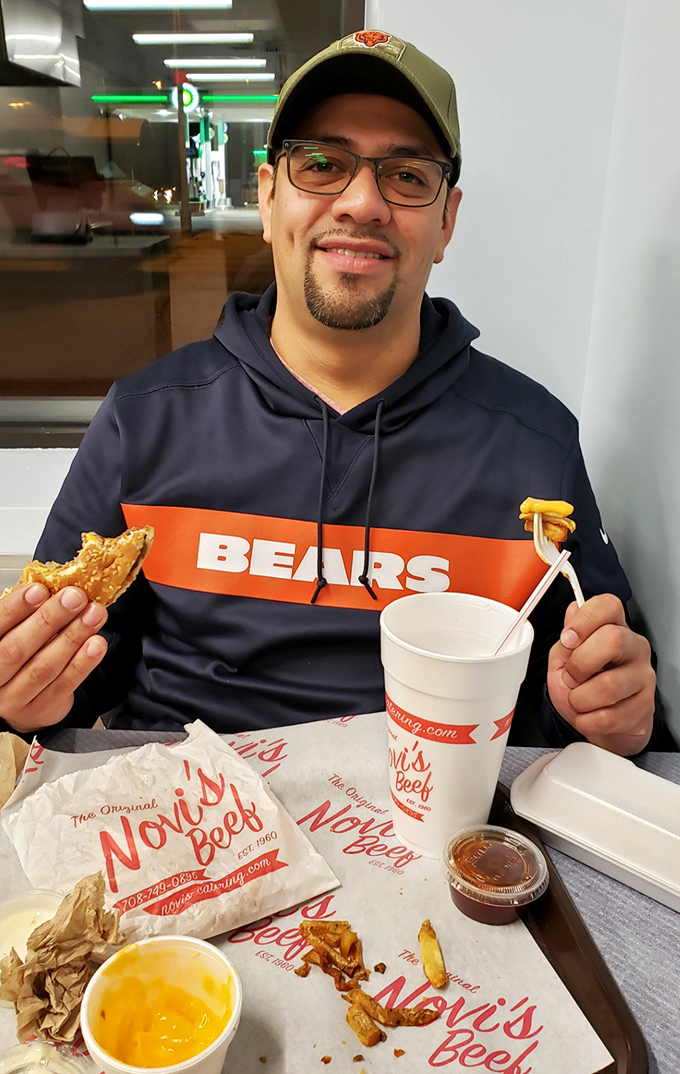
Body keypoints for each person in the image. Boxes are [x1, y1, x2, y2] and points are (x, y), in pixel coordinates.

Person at [0, 30, 661, 755]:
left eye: (405, 175)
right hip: (176, 802)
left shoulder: (535, 445)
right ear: (267, 196)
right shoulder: (144, 419)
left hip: (429, 806)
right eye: (321, 164)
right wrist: (27, 695)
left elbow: (586, 702)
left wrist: (608, 714)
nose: (362, 202)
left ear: (446, 221)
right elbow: (70, 681)